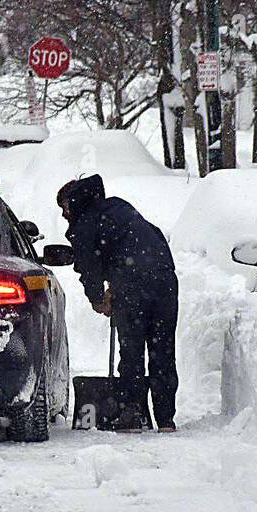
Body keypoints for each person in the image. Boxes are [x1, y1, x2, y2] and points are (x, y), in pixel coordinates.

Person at [57, 174, 179, 433]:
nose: (64, 215)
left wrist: (98, 299)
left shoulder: (84, 223)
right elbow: (143, 239)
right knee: (162, 350)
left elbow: (88, 266)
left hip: (133, 285)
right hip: (165, 281)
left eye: (63, 208)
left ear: (72, 202)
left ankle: (132, 414)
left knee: (132, 349)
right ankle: (166, 419)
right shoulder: (118, 206)